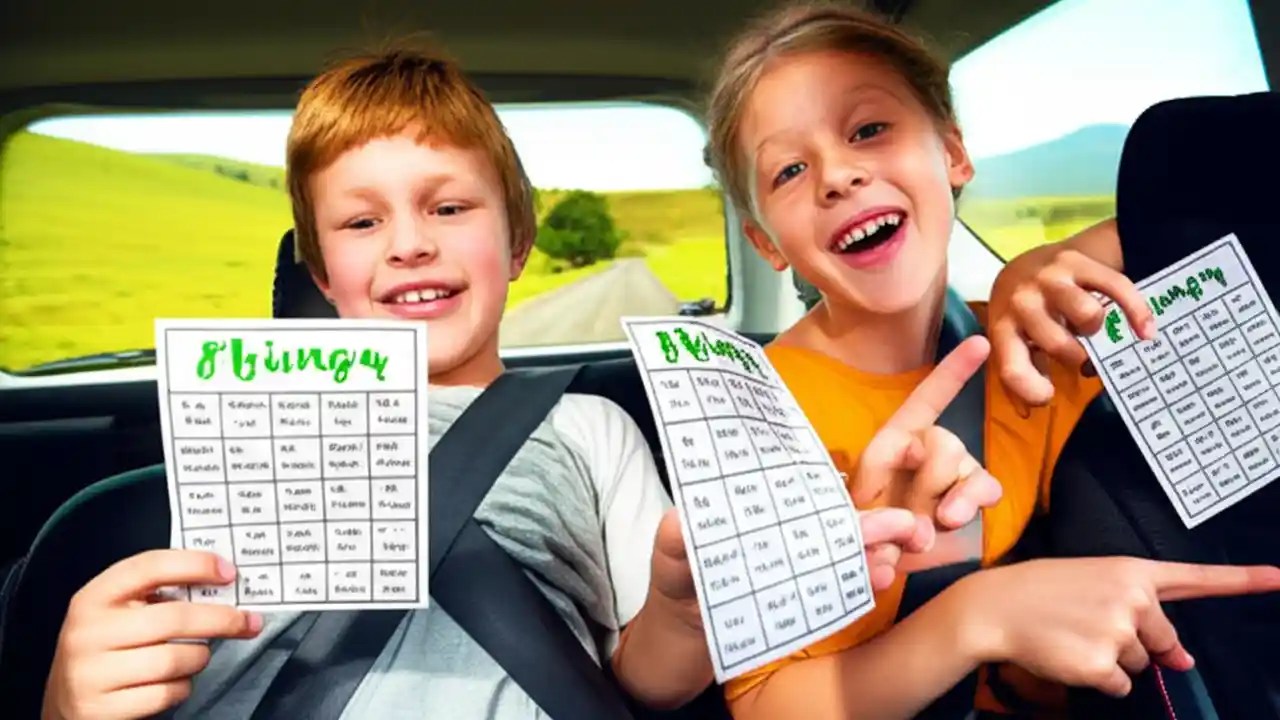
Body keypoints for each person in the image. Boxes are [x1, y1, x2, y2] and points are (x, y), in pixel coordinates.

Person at [40, 41, 979, 720]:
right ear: (321, 273)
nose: (410, 243)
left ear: (518, 243)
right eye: (361, 224)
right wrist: (68, 695)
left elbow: (650, 682)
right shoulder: (240, 432)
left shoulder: (588, 430)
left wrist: (686, 613)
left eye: (450, 207)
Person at [701, 3, 1280, 718]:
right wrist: (977, 615)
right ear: (767, 243)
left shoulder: (1045, 337)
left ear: (953, 154)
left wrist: (1055, 258)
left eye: (869, 130)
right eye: (789, 169)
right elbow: (765, 704)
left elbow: (1233, 212)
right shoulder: (756, 418)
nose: (838, 175)